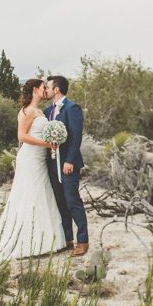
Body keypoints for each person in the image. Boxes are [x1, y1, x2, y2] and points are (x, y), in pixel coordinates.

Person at [0, 79, 67, 260]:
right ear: (35, 89)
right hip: (30, 157)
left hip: (40, 158)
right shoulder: (27, 111)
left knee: (42, 192)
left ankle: (47, 240)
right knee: (30, 193)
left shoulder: (40, 111)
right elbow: (22, 136)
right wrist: (47, 144)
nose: (46, 90)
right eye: (43, 87)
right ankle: (28, 241)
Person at [44, 75, 89, 257]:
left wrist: (69, 160)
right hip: (52, 163)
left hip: (67, 164)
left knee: (72, 200)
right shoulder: (48, 111)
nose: (46, 89)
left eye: (48, 86)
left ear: (56, 89)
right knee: (60, 201)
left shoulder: (72, 108)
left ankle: (83, 241)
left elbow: (76, 136)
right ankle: (67, 239)